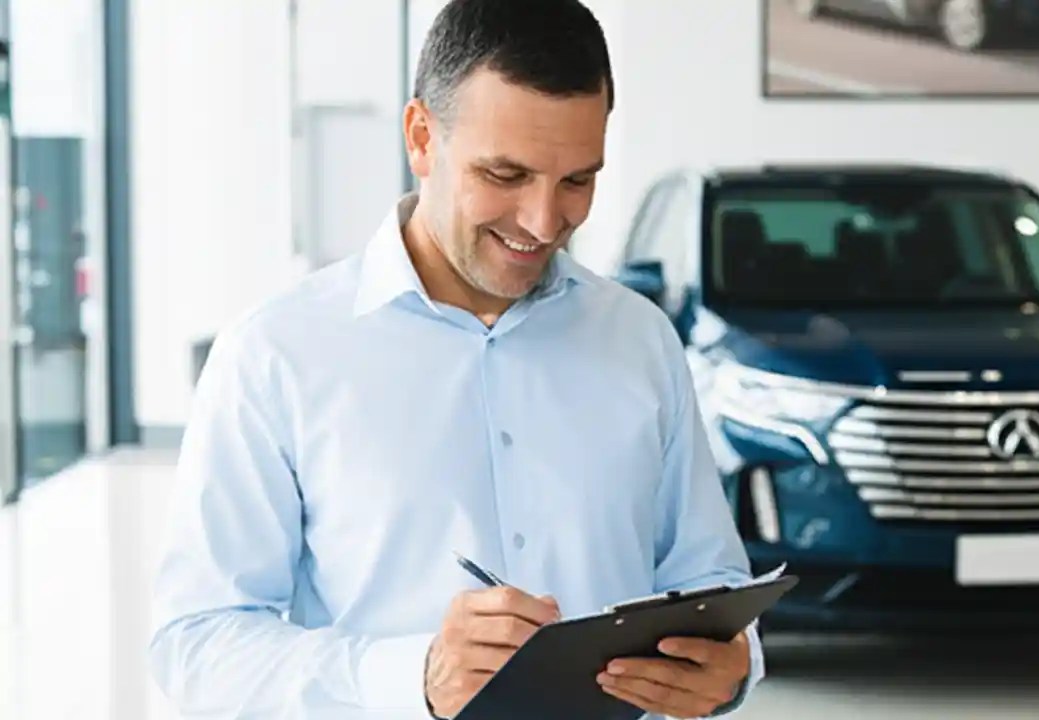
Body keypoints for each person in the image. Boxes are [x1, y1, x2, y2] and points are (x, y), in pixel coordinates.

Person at [147, 0, 765, 718]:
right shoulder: (276, 355)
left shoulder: (641, 339)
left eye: (577, 181)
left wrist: (734, 663)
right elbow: (194, 642)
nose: (543, 222)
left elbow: (709, 576)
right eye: (505, 175)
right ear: (420, 138)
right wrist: (414, 675)